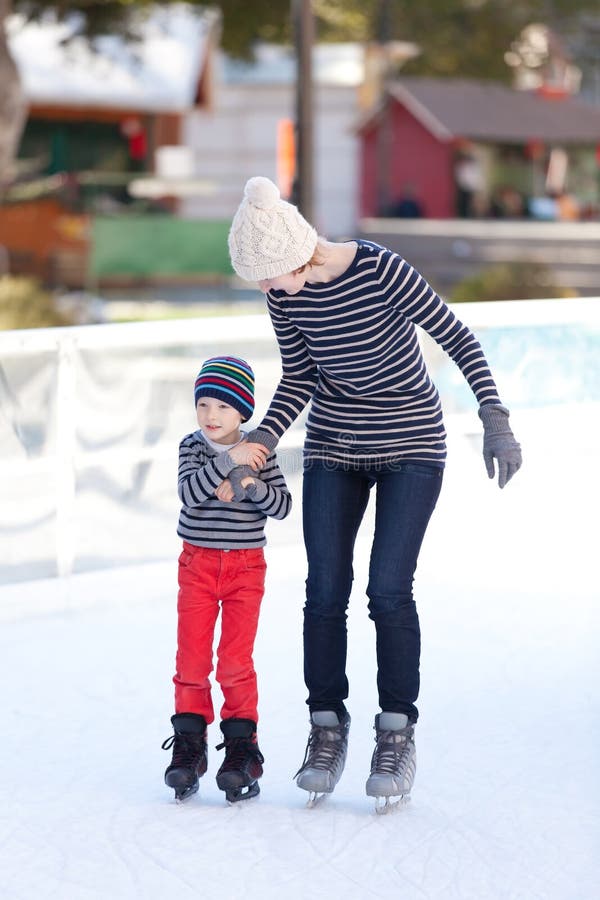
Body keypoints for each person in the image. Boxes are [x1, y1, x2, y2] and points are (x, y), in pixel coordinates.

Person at [227, 176, 522, 811]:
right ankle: (327, 729)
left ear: (297, 255)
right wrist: (263, 441)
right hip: (335, 446)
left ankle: (396, 731)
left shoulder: (383, 270)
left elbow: (459, 338)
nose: (267, 292)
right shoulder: (286, 295)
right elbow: (301, 374)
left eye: (270, 277)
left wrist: (494, 419)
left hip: (412, 444)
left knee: (387, 589)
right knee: (323, 591)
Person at [162, 355, 292, 803]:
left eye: (221, 406)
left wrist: (250, 483)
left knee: (235, 662)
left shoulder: (261, 453)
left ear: (242, 411)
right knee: (192, 661)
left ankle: (242, 750)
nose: (210, 416)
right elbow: (189, 494)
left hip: (244, 568)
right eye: (203, 405)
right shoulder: (193, 447)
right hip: (197, 565)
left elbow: (282, 507)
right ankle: (190, 745)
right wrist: (227, 464)